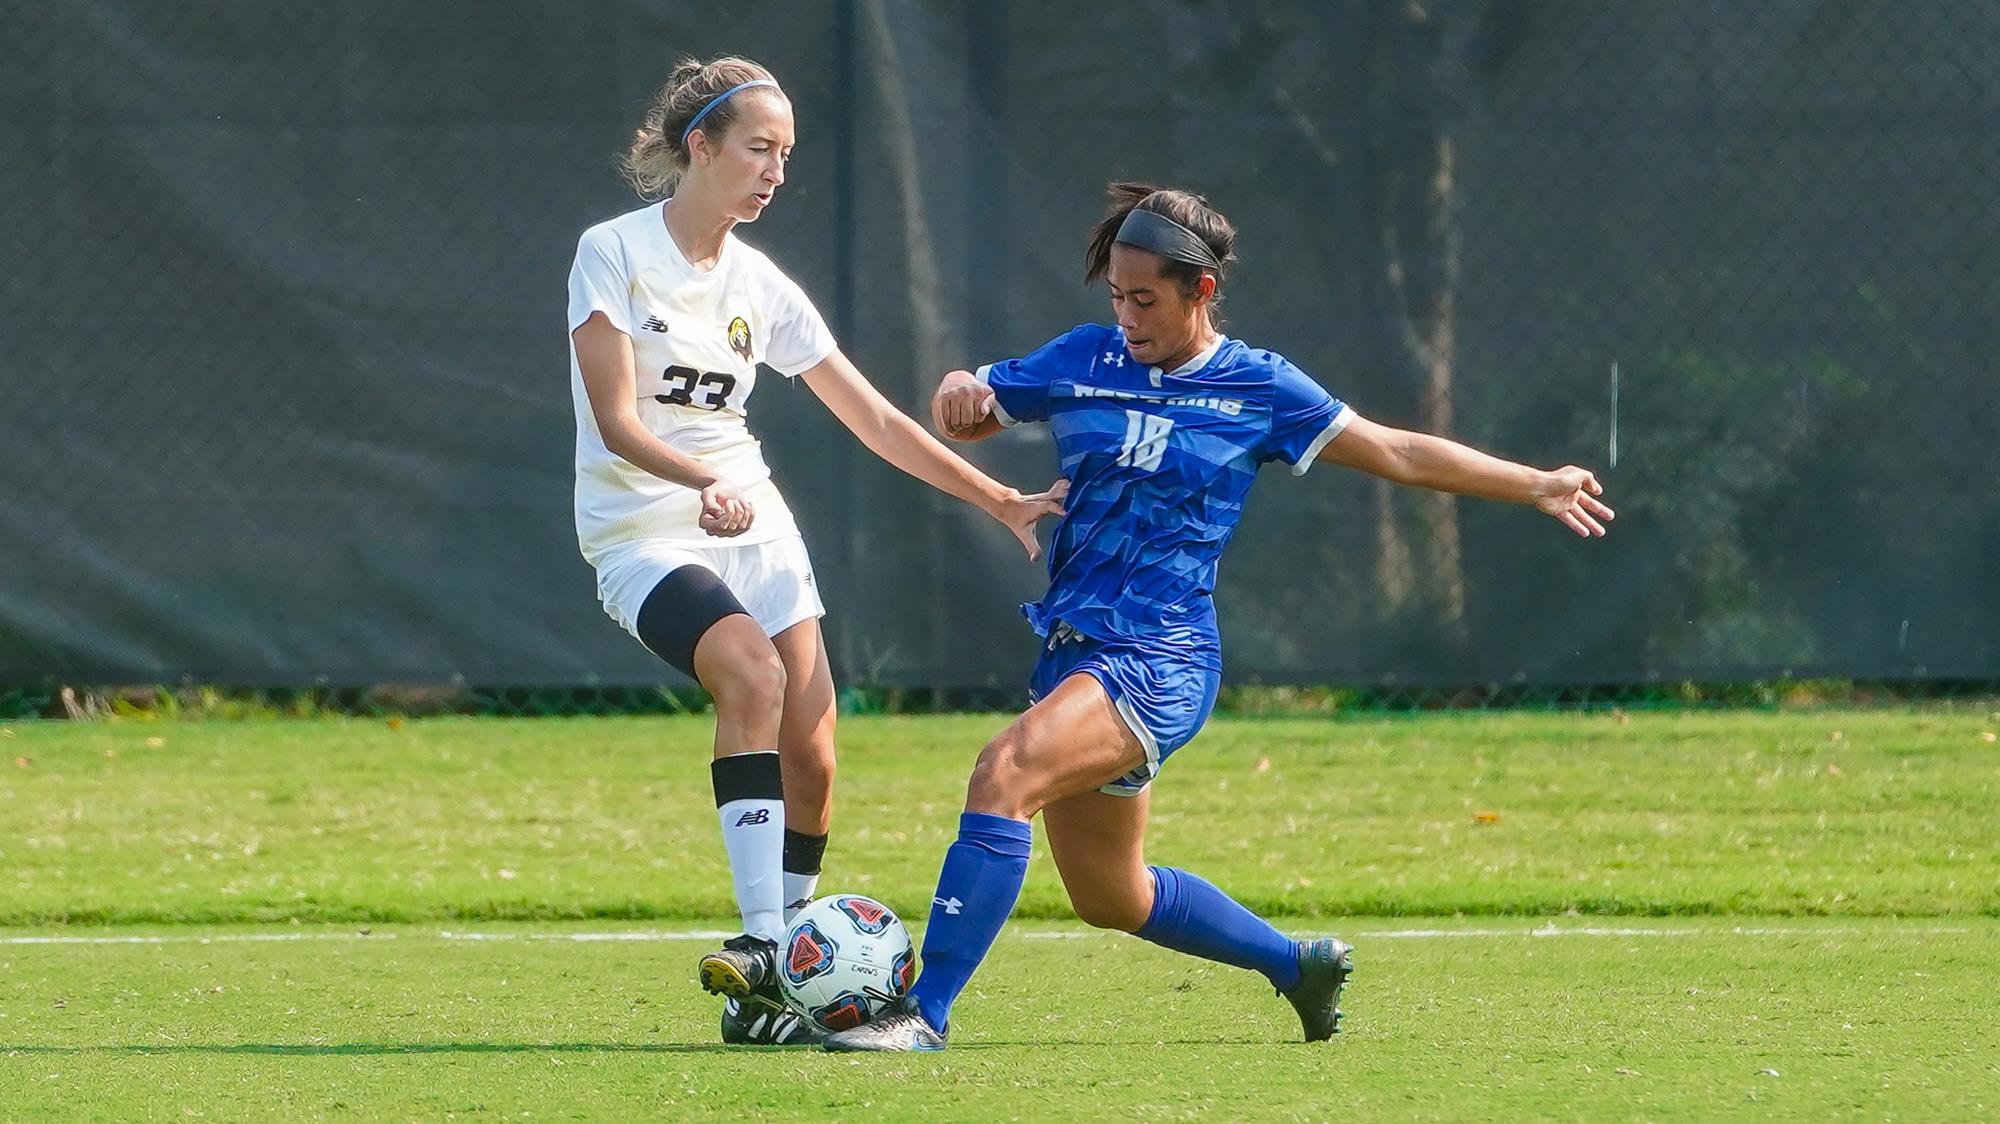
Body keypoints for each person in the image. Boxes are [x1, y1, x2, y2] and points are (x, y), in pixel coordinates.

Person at [823, 182, 1615, 1051]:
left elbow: (1396, 450)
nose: (1126, 315)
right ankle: (1298, 964)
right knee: (1110, 897)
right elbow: (972, 407)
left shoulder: (1259, 386)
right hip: (1075, 653)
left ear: (1201, 291)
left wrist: (1534, 482)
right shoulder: (1085, 357)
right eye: (1118, 296)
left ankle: (923, 1015)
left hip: (1160, 656)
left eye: (1146, 299)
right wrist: (955, 393)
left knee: (1002, 771)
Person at [565, 56, 1064, 1046]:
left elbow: (874, 416)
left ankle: (771, 996)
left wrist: (997, 496)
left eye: (786, 154)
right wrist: (696, 481)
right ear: (697, 144)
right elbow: (616, 421)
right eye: (757, 146)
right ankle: (762, 945)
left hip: (751, 518)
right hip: (639, 527)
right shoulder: (610, 251)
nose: (774, 171)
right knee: (748, 672)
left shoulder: (759, 283)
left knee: (816, 752)